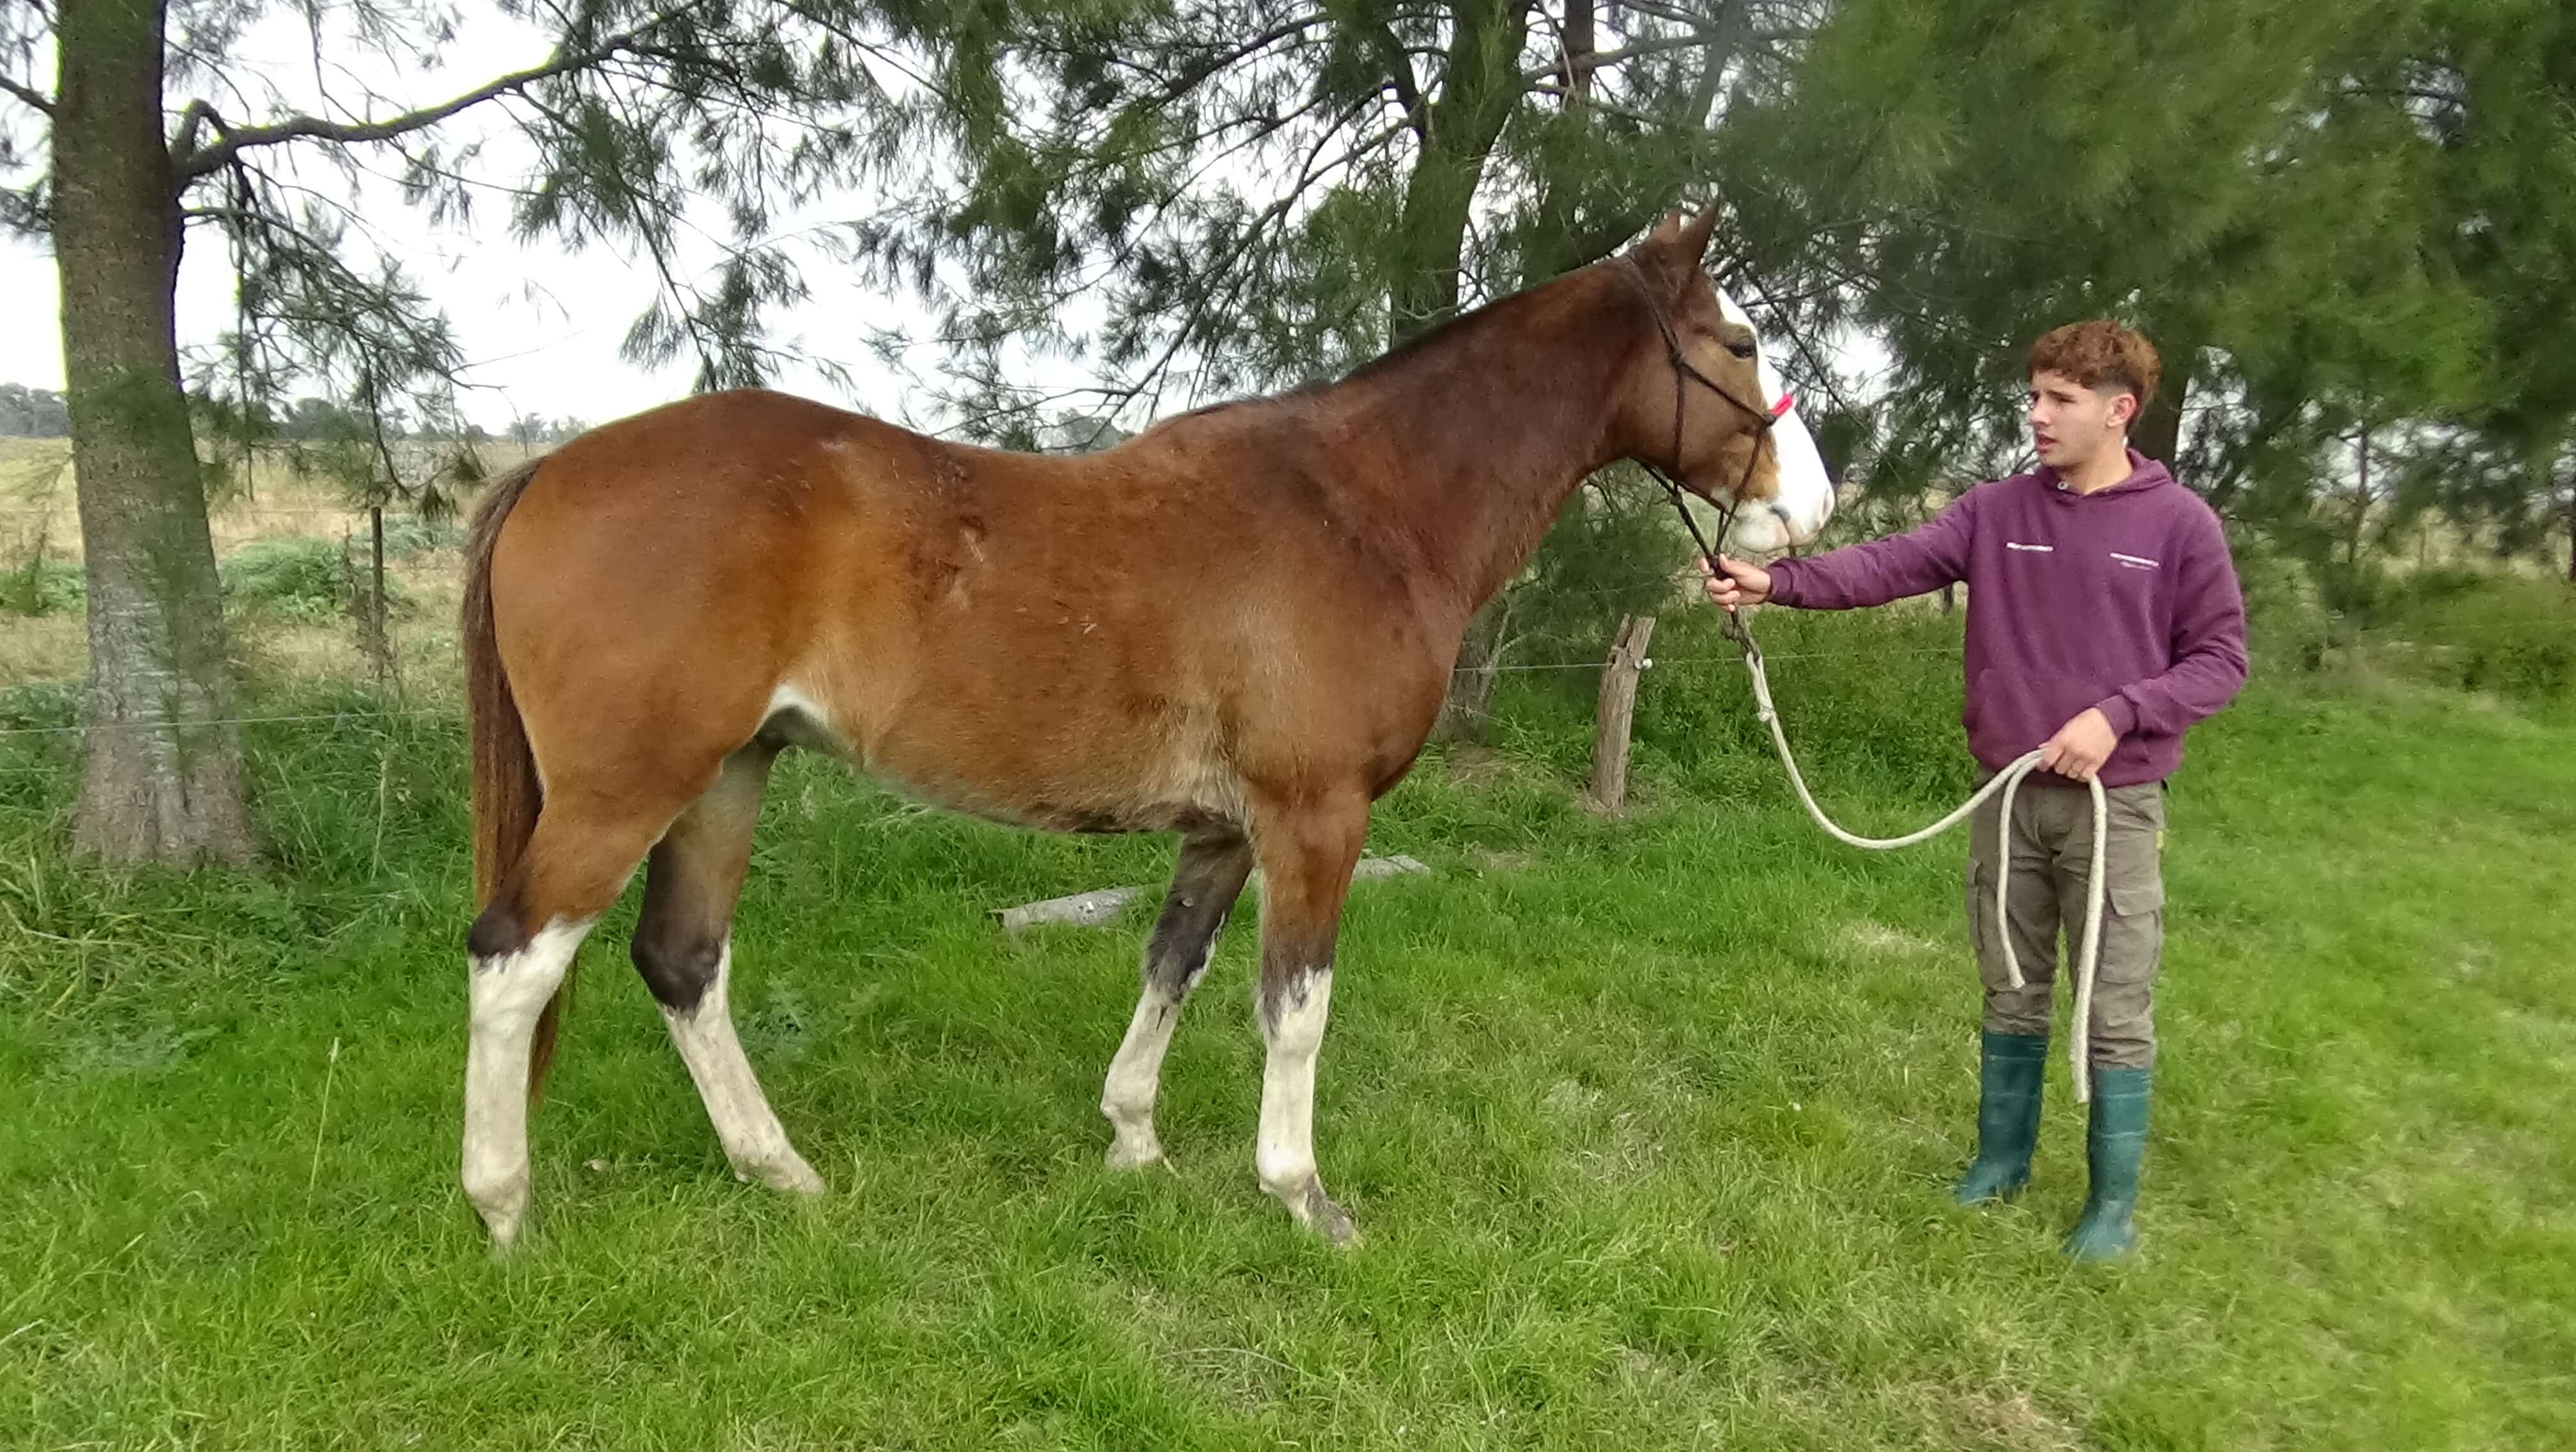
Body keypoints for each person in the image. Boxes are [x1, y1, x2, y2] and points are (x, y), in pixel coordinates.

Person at [1701, 320, 2248, 1260]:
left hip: (2116, 807)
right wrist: (1774, 583)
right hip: (2005, 795)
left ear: (2119, 412)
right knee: (2012, 983)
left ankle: (2111, 1209)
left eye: (2059, 401)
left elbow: (2221, 662)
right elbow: (1891, 565)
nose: (2036, 416)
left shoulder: (2179, 526)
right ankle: (2001, 1162)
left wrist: (2118, 716)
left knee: (2112, 1003)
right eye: (2033, 396)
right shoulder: (1997, 510)